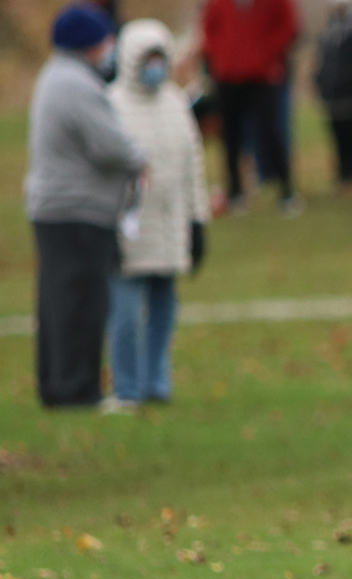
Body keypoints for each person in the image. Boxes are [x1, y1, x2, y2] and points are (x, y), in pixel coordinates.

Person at [25, 3, 146, 410]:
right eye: (105, 40)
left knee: (59, 303)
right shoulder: (76, 84)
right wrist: (139, 156)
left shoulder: (56, 77)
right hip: (77, 210)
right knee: (80, 303)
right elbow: (109, 146)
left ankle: (58, 385)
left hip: (58, 209)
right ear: (88, 44)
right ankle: (78, 390)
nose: (110, 47)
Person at [105, 18, 210, 411]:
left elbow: (192, 165)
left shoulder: (175, 103)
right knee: (126, 315)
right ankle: (127, 386)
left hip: (169, 227)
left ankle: (156, 382)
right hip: (129, 231)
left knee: (164, 309)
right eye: (148, 59)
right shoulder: (111, 105)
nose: (156, 67)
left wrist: (197, 220)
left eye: (160, 58)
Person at [199, 0, 300, 214]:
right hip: (227, 77)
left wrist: (266, 55)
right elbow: (209, 30)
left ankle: (286, 191)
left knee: (272, 132)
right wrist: (221, 57)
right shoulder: (218, 3)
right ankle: (236, 193)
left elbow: (289, 28)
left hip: (262, 77)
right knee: (230, 138)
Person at [313, 0, 352, 188]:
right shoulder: (328, 33)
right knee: (337, 136)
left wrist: (347, 79)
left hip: (351, 94)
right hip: (331, 95)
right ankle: (342, 175)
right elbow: (322, 62)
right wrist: (320, 81)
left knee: (351, 135)